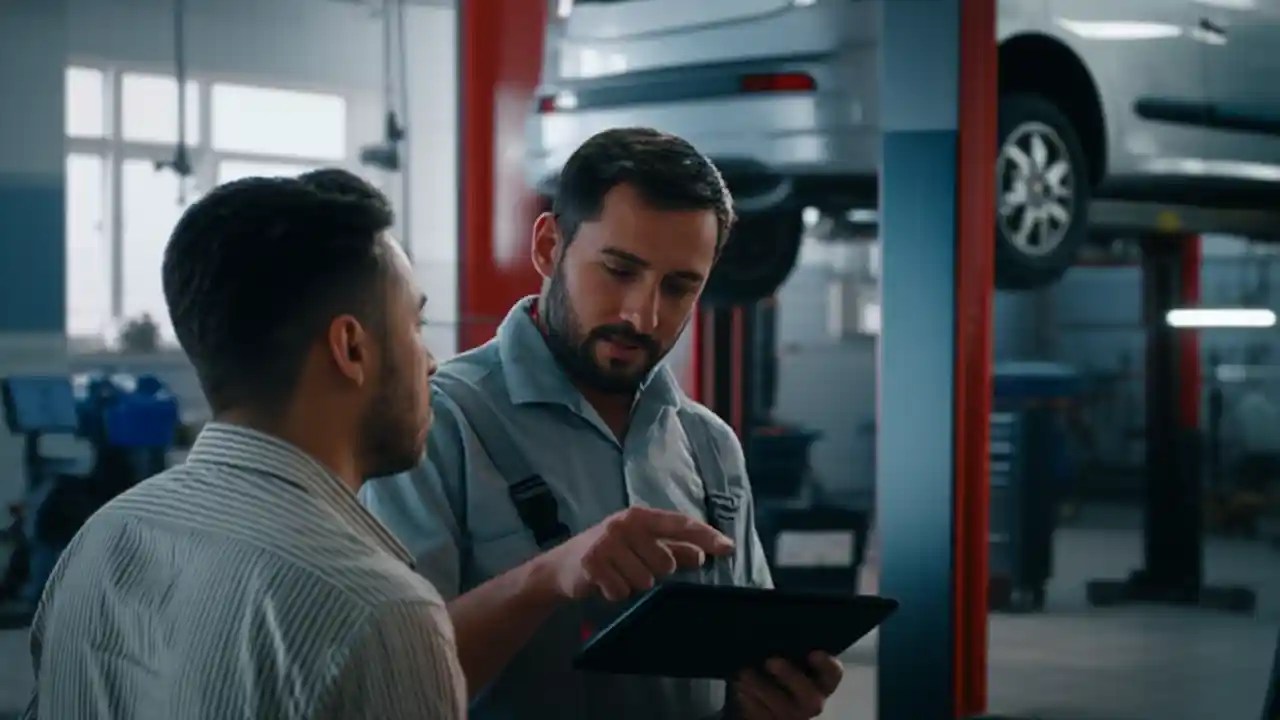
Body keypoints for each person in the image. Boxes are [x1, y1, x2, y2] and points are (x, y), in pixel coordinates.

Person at [360, 127, 844, 720]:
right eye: (618, 270)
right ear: (548, 247)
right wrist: (544, 579)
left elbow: (740, 670)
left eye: (679, 286)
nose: (642, 314)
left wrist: (763, 702)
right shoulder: (435, 426)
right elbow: (385, 684)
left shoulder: (710, 448)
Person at [23, 169, 466, 720]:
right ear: (350, 347)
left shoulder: (102, 541)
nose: (430, 362)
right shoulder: (377, 609)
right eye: (415, 325)